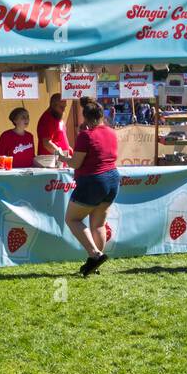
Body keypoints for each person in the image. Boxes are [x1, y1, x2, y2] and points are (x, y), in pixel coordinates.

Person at [66, 99, 120, 276]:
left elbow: (75, 162)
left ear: (86, 118)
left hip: (93, 181)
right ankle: (94, 265)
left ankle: (95, 255)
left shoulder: (86, 136)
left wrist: (60, 156)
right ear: (102, 115)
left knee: (72, 219)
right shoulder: (112, 132)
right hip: (112, 180)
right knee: (98, 225)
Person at [36, 93, 73, 163]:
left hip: (60, 161)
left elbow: (61, 137)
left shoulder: (58, 116)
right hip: (50, 162)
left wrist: (69, 149)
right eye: (61, 107)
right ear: (53, 105)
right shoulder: (47, 119)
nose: (64, 110)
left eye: (65, 107)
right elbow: (47, 143)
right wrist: (61, 155)